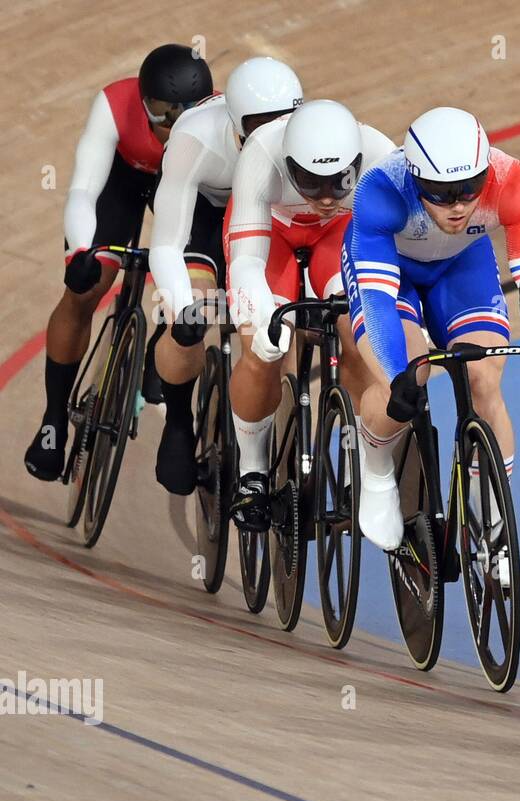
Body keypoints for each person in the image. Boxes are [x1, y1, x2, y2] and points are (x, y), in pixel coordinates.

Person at [343, 107, 520, 555]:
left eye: (468, 191)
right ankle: (376, 476)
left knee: (484, 378)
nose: (457, 206)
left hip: (461, 266)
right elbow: (376, 301)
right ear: (416, 179)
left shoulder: (513, 182)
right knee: (406, 379)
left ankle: (493, 510)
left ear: (486, 172)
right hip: (394, 275)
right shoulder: (381, 190)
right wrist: (395, 373)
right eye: (440, 193)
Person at [24, 43, 213, 481]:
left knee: (191, 289)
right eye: (161, 111)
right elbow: (83, 191)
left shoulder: (215, 122)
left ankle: (160, 350)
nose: (171, 124)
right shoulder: (113, 104)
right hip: (123, 181)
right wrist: (80, 253)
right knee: (86, 287)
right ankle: (54, 417)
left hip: (184, 184)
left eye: (183, 112)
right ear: (143, 99)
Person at [225, 100, 395, 530]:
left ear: (358, 163)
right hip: (271, 231)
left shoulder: (381, 155)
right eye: (309, 183)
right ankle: (252, 473)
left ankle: (362, 450)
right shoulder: (261, 152)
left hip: (340, 232)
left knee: (353, 328)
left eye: (340, 183)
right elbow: (246, 261)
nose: (323, 197)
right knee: (264, 349)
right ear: (288, 165)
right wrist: (264, 312)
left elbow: (399, 252)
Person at [149, 56, 303, 495]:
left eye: (284, 122)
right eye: (260, 124)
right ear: (234, 121)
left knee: (281, 333)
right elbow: (165, 245)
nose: (273, 133)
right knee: (192, 313)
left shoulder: (304, 140)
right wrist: (183, 311)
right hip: (202, 215)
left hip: (264, 217)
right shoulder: (194, 139)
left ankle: (285, 458)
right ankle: (179, 421)